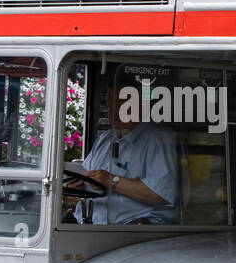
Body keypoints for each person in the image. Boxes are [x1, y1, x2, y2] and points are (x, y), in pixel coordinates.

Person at [75, 79, 179, 225]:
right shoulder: (105, 139)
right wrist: (77, 185)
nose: (111, 108)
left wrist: (112, 181)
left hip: (134, 230)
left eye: (118, 102)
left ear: (141, 105)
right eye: (109, 102)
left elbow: (162, 193)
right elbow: (86, 175)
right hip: (87, 224)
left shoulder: (158, 139)